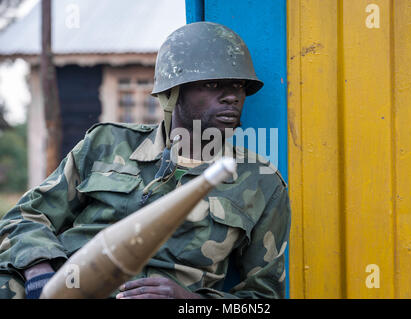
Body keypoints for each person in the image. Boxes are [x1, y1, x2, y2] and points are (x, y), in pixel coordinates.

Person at [0, 21, 291, 299]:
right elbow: (24, 217)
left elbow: (262, 299)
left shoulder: (262, 182)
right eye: (214, 85)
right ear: (173, 92)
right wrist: (40, 275)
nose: (232, 97)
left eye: (239, 86)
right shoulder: (106, 144)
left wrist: (188, 300)